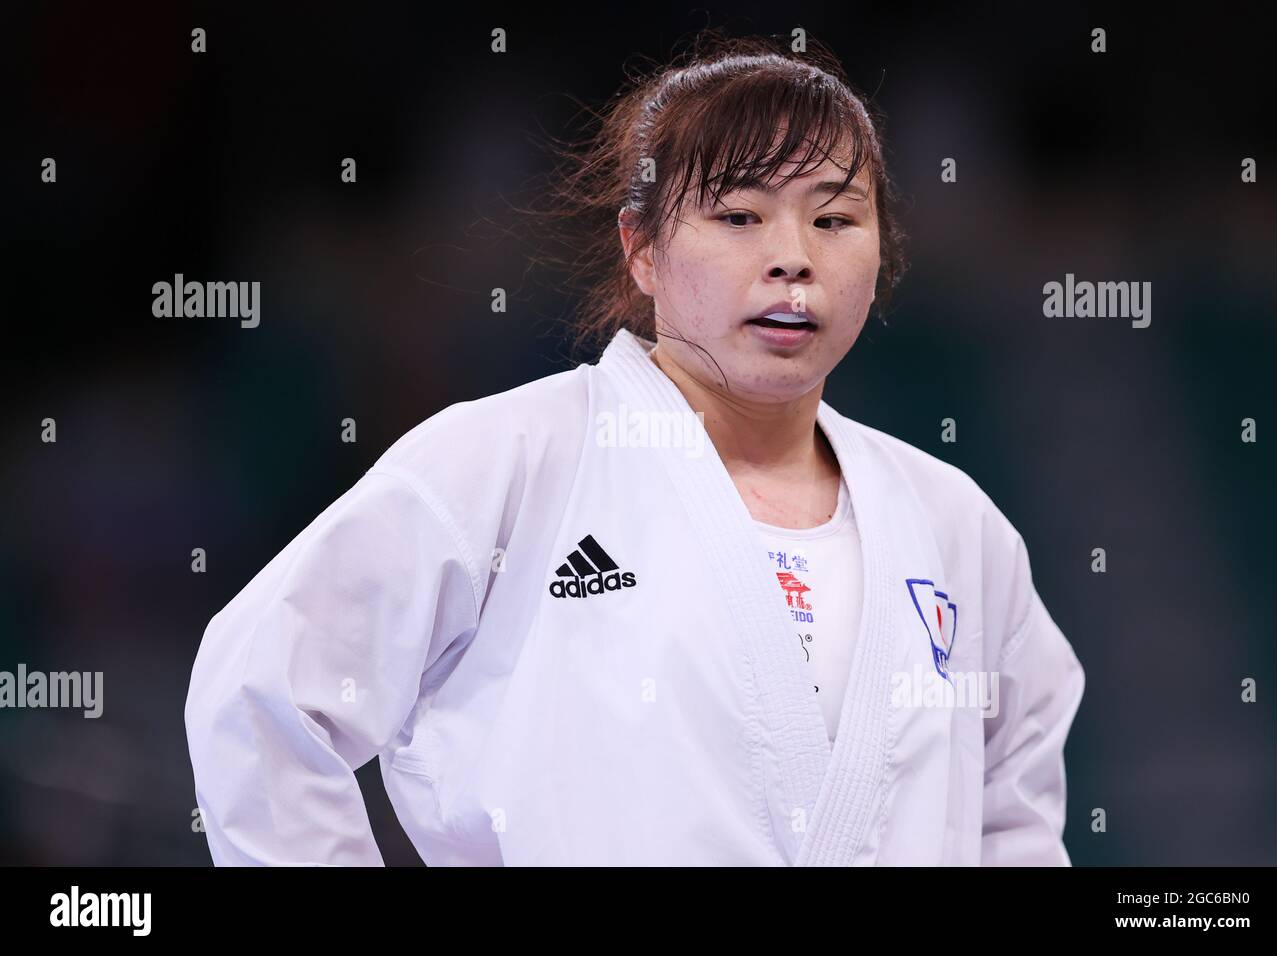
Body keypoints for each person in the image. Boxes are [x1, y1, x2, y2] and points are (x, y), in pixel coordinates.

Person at [184, 33, 1085, 866]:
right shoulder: (504, 462)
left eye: (835, 219)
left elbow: (1017, 813)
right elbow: (259, 697)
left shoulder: (953, 522)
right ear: (642, 248)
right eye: (737, 216)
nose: (792, 258)